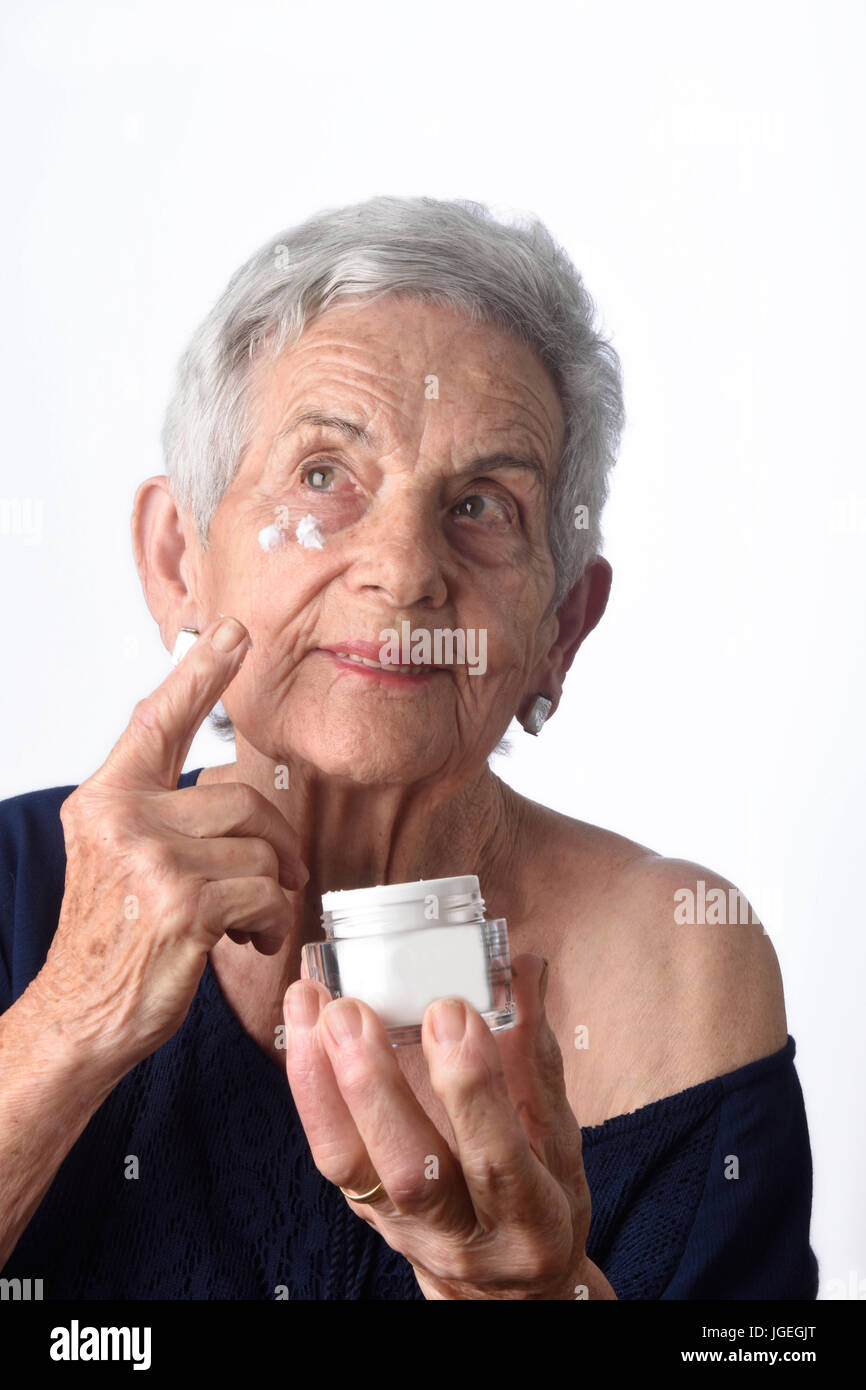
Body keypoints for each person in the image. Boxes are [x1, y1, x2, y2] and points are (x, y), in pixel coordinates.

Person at [0, 196, 818, 1299]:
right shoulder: (21, 882)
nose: (401, 567)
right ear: (176, 559)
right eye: (323, 475)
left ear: (559, 629)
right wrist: (74, 1014)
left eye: (482, 504)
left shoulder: (678, 966)